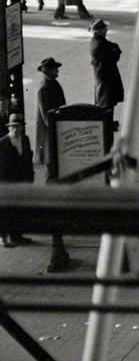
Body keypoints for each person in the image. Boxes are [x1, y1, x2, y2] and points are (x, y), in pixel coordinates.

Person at [33, 58, 72, 272]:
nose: (58, 70)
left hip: (57, 133)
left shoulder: (52, 84)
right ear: (48, 70)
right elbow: (48, 117)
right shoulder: (44, 88)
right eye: (55, 68)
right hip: (51, 138)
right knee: (51, 173)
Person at [0, 112, 35, 245]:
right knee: (7, 210)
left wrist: (30, 177)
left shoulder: (25, 140)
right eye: (13, 126)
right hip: (7, 182)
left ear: (22, 127)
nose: (15, 129)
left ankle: (17, 236)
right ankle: (4, 237)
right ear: (9, 127)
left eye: (18, 126)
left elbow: (28, 160)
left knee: (20, 210)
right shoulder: (2, 143)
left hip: (23, 181)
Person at [89, 19, 124, 112]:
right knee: (106, 102)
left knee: (105, 100)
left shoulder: (95, 42)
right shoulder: (101, 44)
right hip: (106, 77)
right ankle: (106, 118)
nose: (106, 30)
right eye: (104, 29)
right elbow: (113, 57)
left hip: (103, 77)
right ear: (99, 31)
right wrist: (115, 49)